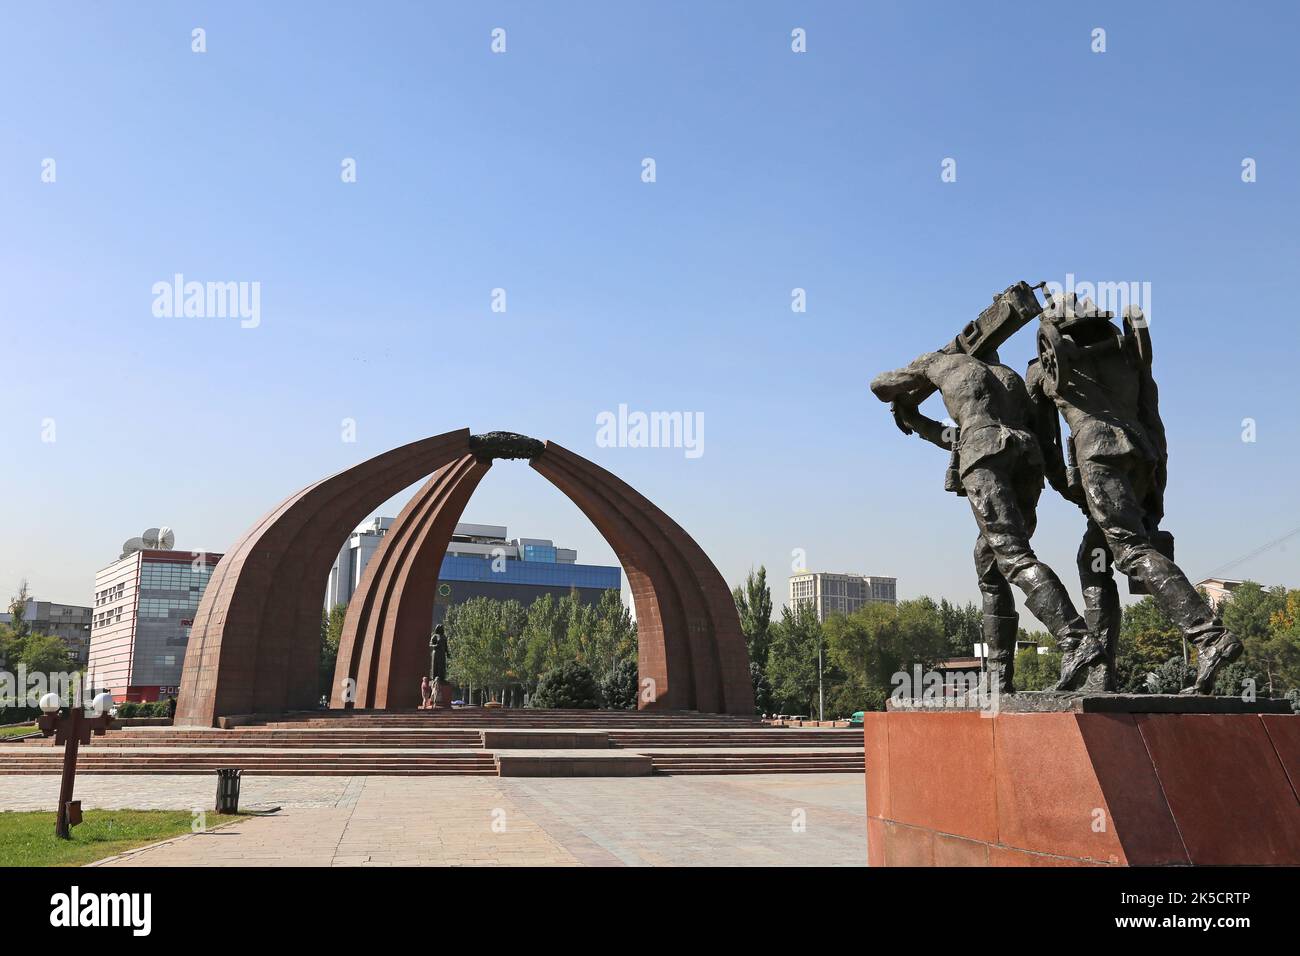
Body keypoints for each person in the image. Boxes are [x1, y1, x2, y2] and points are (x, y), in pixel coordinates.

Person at [1032, 297, 1241, 694]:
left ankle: (1208, 636)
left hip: (1100, 457)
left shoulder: (1045, 368)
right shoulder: (1129, 353)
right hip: (1141, 456)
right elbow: (1152, 415)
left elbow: (1046, 444)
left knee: (1129, 550)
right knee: (1093, 560)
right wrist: (1155, 482)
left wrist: (1067, 486)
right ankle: (1100, 672)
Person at [871, 348, 1090, 693]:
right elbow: (958, 437)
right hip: (1025, 455)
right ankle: (998, 676)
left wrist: (905, 401)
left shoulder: (944, 362)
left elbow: (880, 385)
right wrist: (916, 421)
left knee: (1013, 557)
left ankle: (1075, 637)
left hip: (986, 453)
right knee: (988, 562)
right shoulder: (1010, 379)